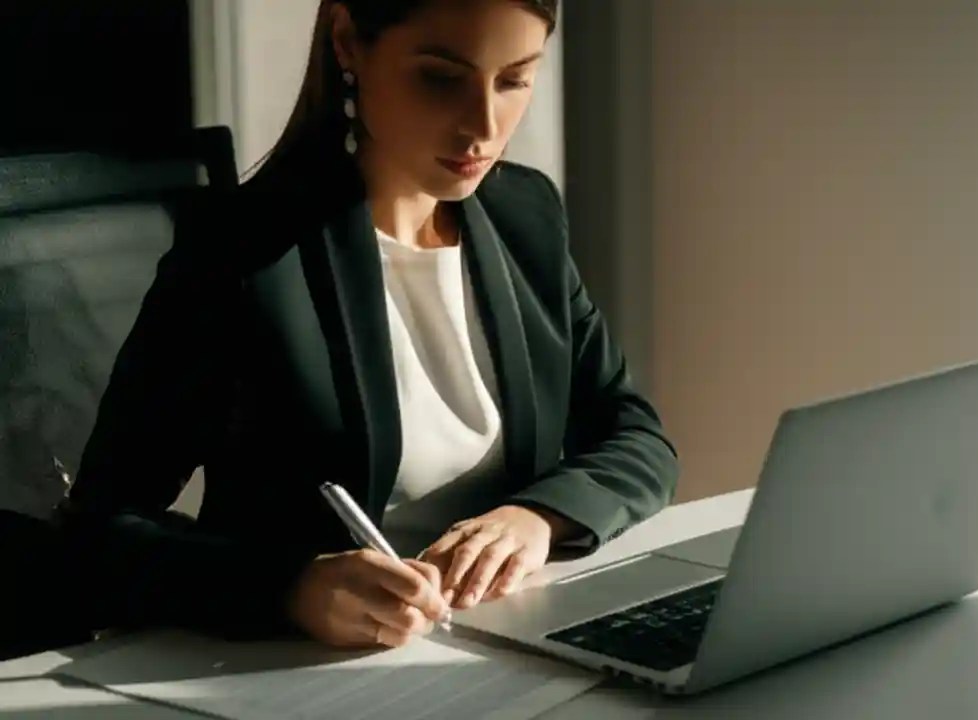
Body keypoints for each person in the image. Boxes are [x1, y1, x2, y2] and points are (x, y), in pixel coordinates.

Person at [60, 0, 678, 650]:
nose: (484, 126)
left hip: (503, 647)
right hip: (301, 673)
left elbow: (638, 439)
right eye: (442, 79)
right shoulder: (243, 254)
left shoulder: (523, 214)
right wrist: (290, 587)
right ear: (349, 43)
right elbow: (95, 535)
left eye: (513, 79)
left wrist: (536, 519)